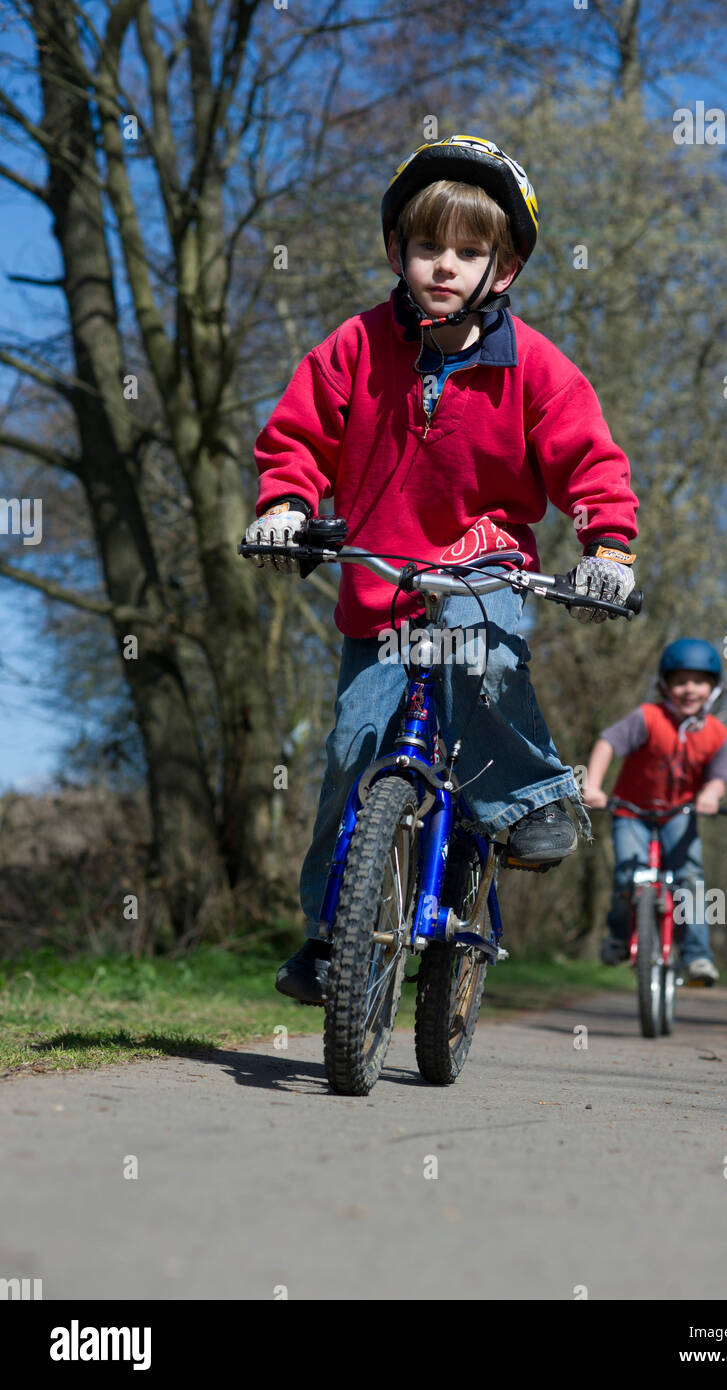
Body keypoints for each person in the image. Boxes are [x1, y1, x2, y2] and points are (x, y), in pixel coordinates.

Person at [243, 134, 639, 1003]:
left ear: (504, 269)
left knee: (488, 664)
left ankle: (531, 798)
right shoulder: (354, 346)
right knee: (351, 748)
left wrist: (606, 547)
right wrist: (286, 506)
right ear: (398, 252)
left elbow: (590, 465)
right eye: (428, 248)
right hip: (379, 583)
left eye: (467, 252)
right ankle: (330, 933)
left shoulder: (537, 368)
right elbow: (300, 434)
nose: (444, 266)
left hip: (481, 569)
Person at [582, 639, 727, 985]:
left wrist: (710, 795)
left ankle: (696, 958)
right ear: (665, 684)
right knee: (627, 876)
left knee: (689, 882)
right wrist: (592, 786)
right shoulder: (648, 718)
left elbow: (720, 775)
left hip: (679, 815)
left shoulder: (716, 734)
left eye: (699, 681)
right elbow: (608, 742)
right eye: (681, 681)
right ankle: (619, 936)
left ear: (713, 687)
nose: (689, 689)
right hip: (631, 811)